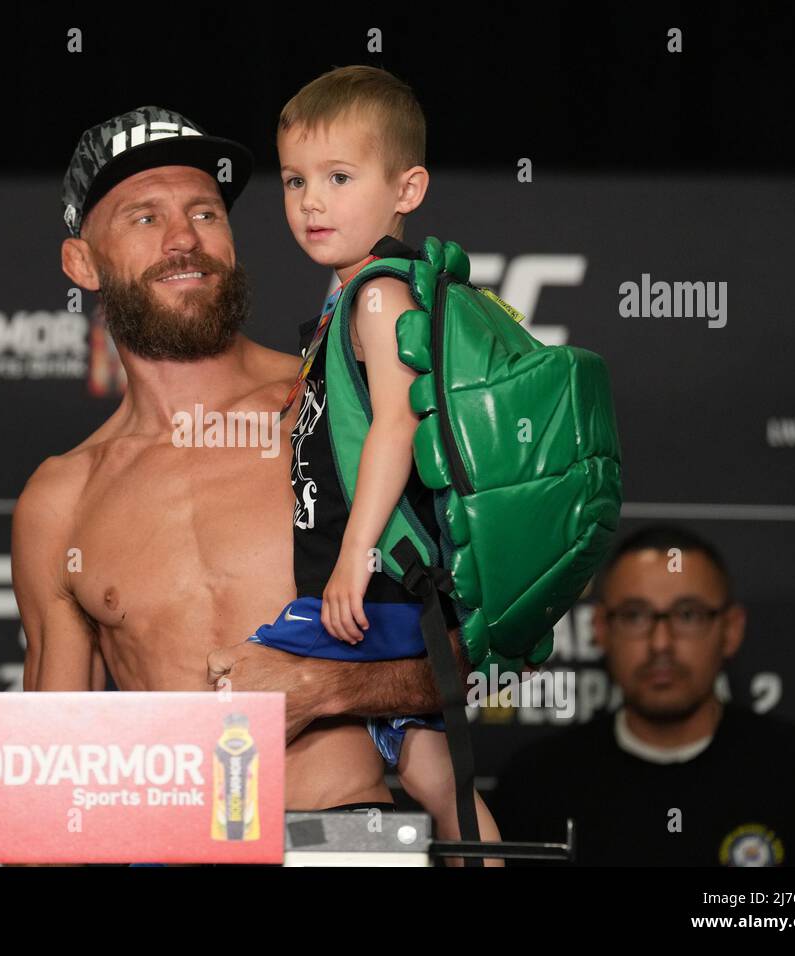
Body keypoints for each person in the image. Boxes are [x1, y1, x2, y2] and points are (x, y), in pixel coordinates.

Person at [16, 105, 465, 819]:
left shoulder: (336, 412)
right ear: (82, 263)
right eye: (143, 218)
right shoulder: (63, 498)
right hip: (167, 849)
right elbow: (48, 773)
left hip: (346, 844)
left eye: (205, 212)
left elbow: (485, 656)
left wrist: (327, 689)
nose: (184, 240)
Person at [232, 65, 502, 862]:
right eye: (293, 180)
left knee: (236, 690)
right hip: (387, 585)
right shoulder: (347, 299)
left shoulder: (380, 295)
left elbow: (394, 424)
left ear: (407, 188)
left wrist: (352, 559)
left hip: (379, 582)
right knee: (433, 775)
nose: (311, 201)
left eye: (339, 177)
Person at [489, 523, 795, 865]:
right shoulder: (537, 787)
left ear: (731, 629)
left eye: (687, 615)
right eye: (636, 615)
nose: (661, 643)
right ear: (601, 629)